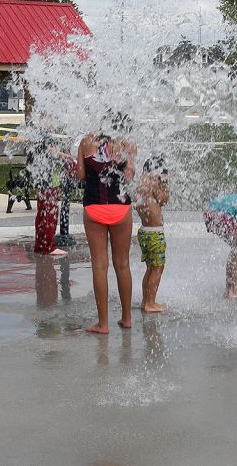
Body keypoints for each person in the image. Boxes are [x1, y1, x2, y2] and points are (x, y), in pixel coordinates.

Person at [77, 128, 136, 334]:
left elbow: (81, 175)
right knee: (122, 265)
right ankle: (127, 318)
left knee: (99, 267)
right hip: (121, 209)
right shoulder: (127, 145)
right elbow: (129, 178)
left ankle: (103, 324)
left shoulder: (86, 142)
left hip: (94, 208)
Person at [134, 157, 169, 313]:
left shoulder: (140, 183)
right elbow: (163, 199)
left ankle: (145, 301)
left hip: (144, 231)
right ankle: (150, 303)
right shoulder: (153, 182)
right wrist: (165, 182)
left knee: (150, 268)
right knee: (157, 268)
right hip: (155, 233)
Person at [29, 136, 71, 257]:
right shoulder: (45, 136)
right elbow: (52, 153)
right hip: (49, 181)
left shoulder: (39, 135)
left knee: (42, 213)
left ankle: (40, 245)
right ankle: (49, 246)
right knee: (50, 214)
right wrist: (67, 157)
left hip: (43, 181)